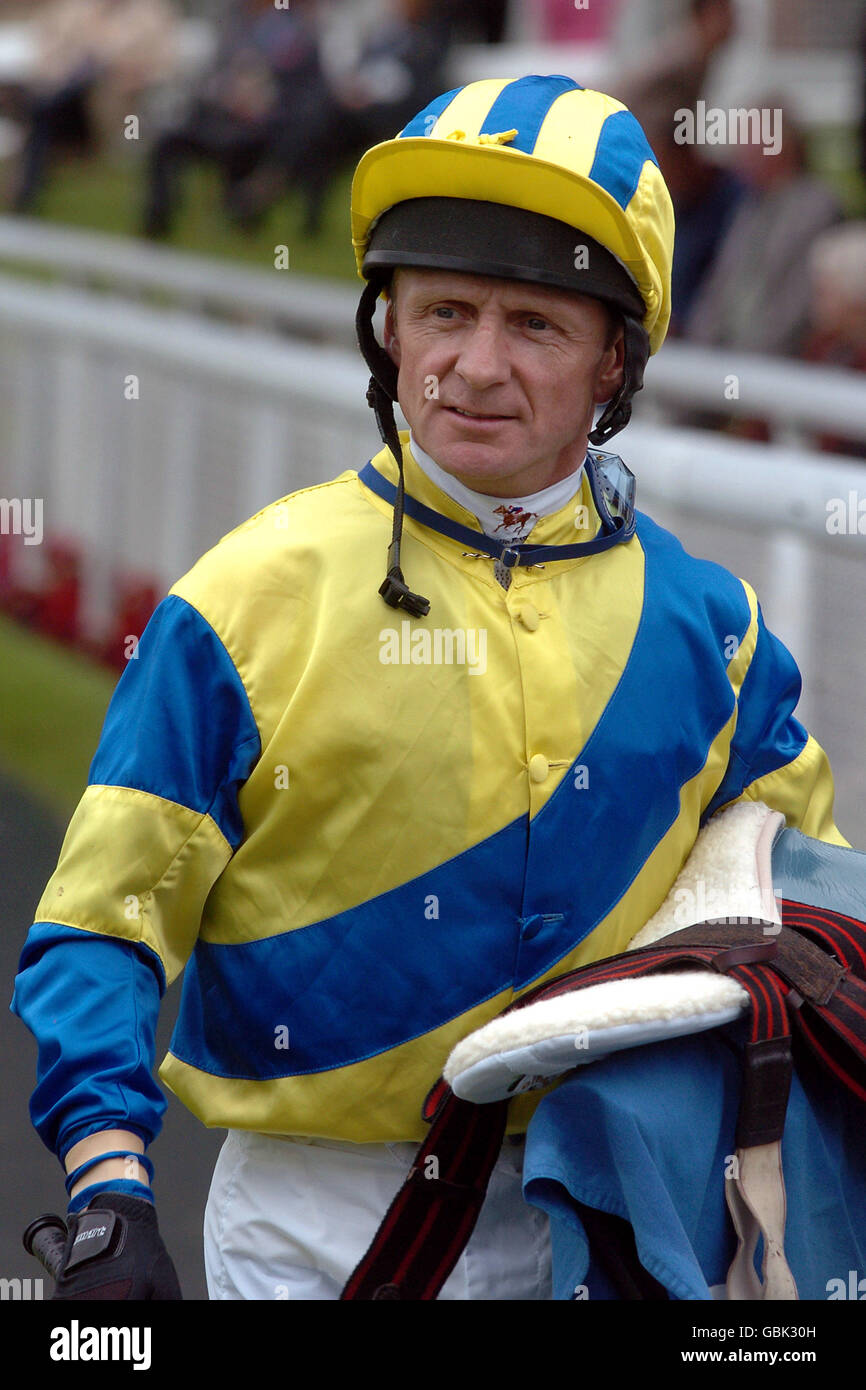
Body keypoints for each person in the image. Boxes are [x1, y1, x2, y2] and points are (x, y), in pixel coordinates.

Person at [11, 74, 847, 1302]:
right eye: (444, 310)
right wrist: (107, 1184)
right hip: (312, 1227)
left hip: (614, 1214)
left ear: (614, 359)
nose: (476, 365)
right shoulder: (245, 597)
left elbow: (803, 925)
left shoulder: (713, 633)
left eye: (537, 326)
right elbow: (101, 921)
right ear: (386, 328)